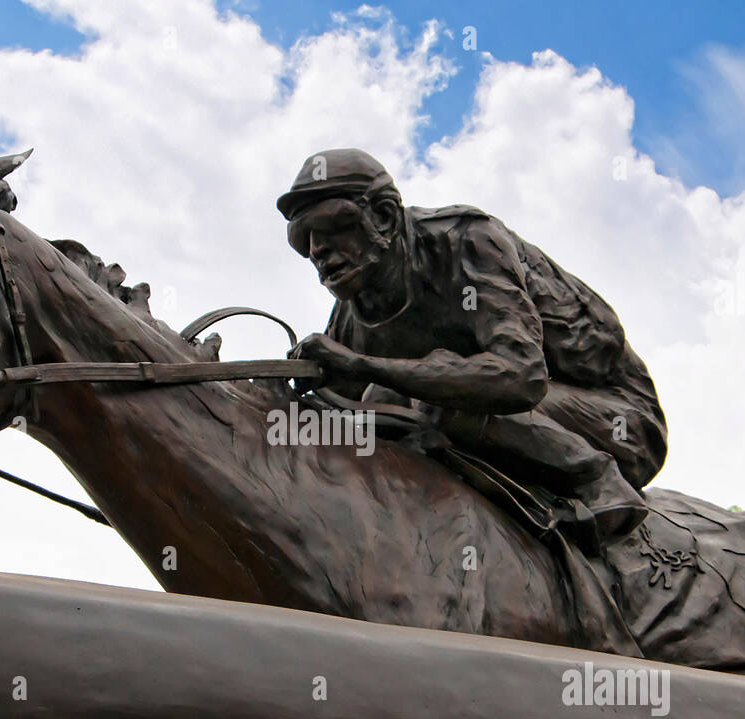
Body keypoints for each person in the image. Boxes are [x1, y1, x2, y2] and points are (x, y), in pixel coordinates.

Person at [279, 148, 667, 545]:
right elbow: (344, 414)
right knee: (378, 407)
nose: (316, 250)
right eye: (302, 239)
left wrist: (362, 365)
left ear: (383, 216)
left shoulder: (467, 241)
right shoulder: (353, 310)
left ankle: (597, 478)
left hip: (618, 422)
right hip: (500, 425)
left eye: (331, 229)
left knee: (439, 395)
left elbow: (521, 377)